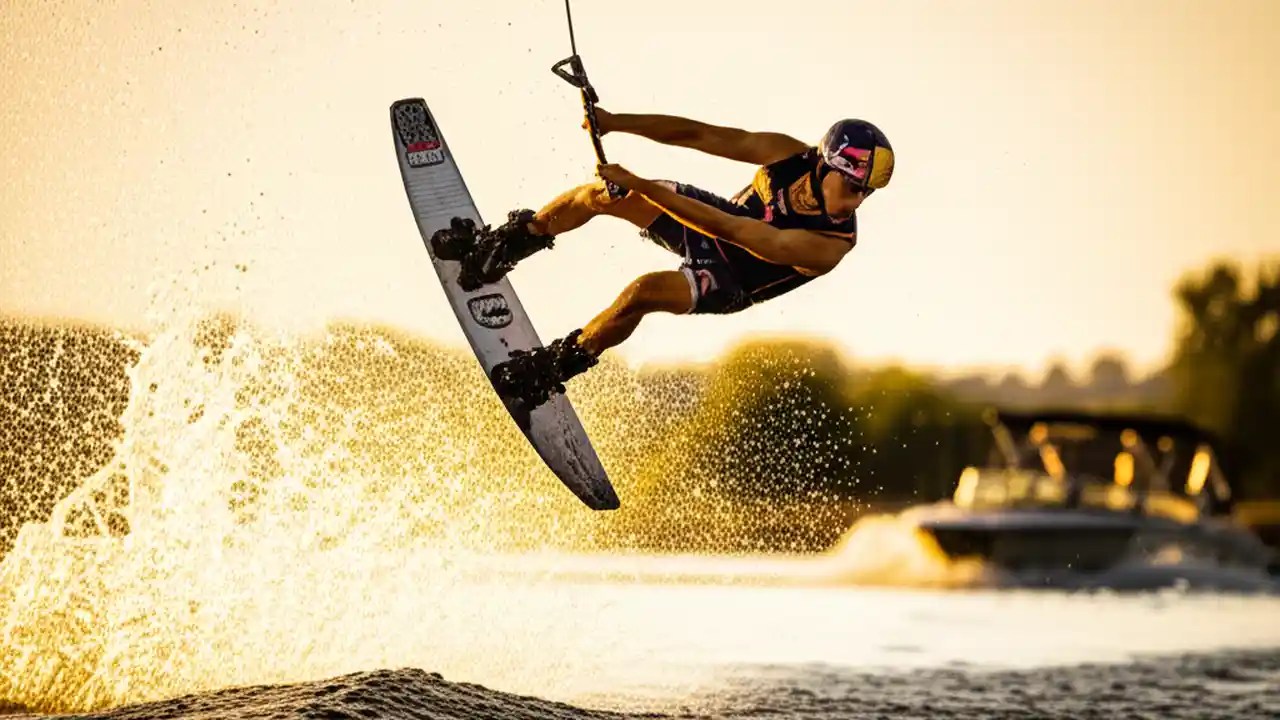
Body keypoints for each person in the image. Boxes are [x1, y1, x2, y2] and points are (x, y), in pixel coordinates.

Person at [430, 108, 895, 409]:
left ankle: (557, 365)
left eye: (867, 194)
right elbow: (700, 134)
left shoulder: (832, 245)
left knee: (643, 292)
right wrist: (615, 122)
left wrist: (643, 184)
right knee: (601, 195)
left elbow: (733, 230)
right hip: (713, 217)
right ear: (826, 164)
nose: (857, 201)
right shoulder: (789, 154)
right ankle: (506, 245)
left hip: (730, 277)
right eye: (854, 187)